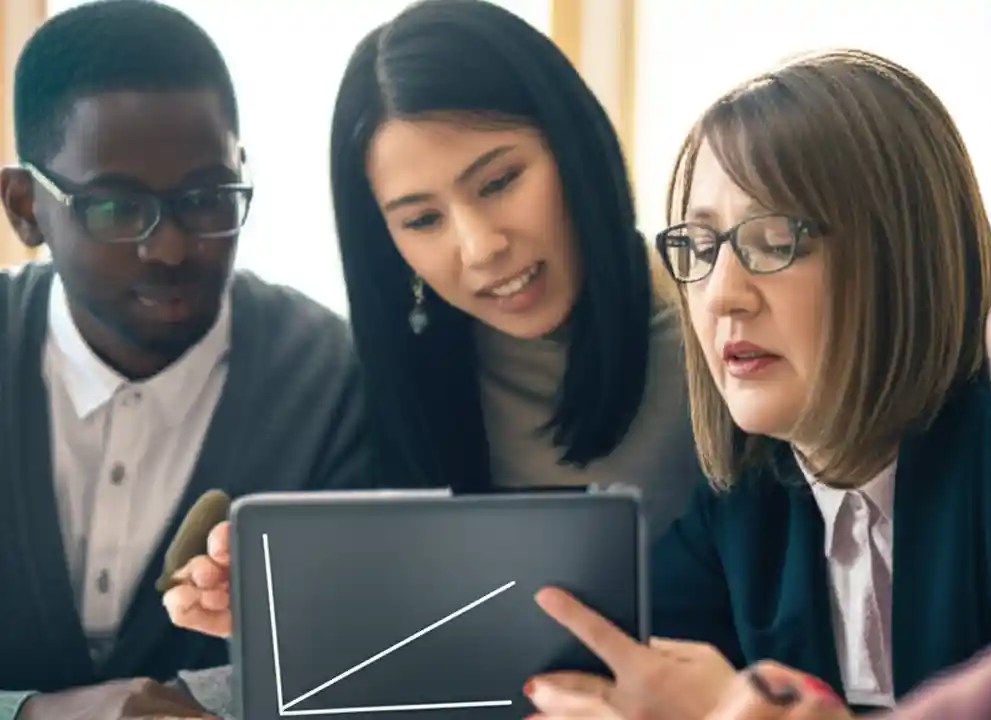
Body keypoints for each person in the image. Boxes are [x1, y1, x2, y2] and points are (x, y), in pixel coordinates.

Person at [534, 0, 991, 717]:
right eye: (698, 248)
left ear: (899, 261)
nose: (723, 294)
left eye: (773, 241)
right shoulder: (741, 496)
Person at [163, 0, 702, 650]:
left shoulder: (717, 336)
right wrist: (281, 613)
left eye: (500, 181)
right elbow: (438, 638)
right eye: (422, 220)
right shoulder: (385, 376)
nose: (479, 248)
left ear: (573, 143)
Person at [0, 1, 369, 719]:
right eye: (115, 208)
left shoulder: (332, 381)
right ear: (25, 208)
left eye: (206, 198)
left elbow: (369, 661)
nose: (171, 248)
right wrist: (33, 712)